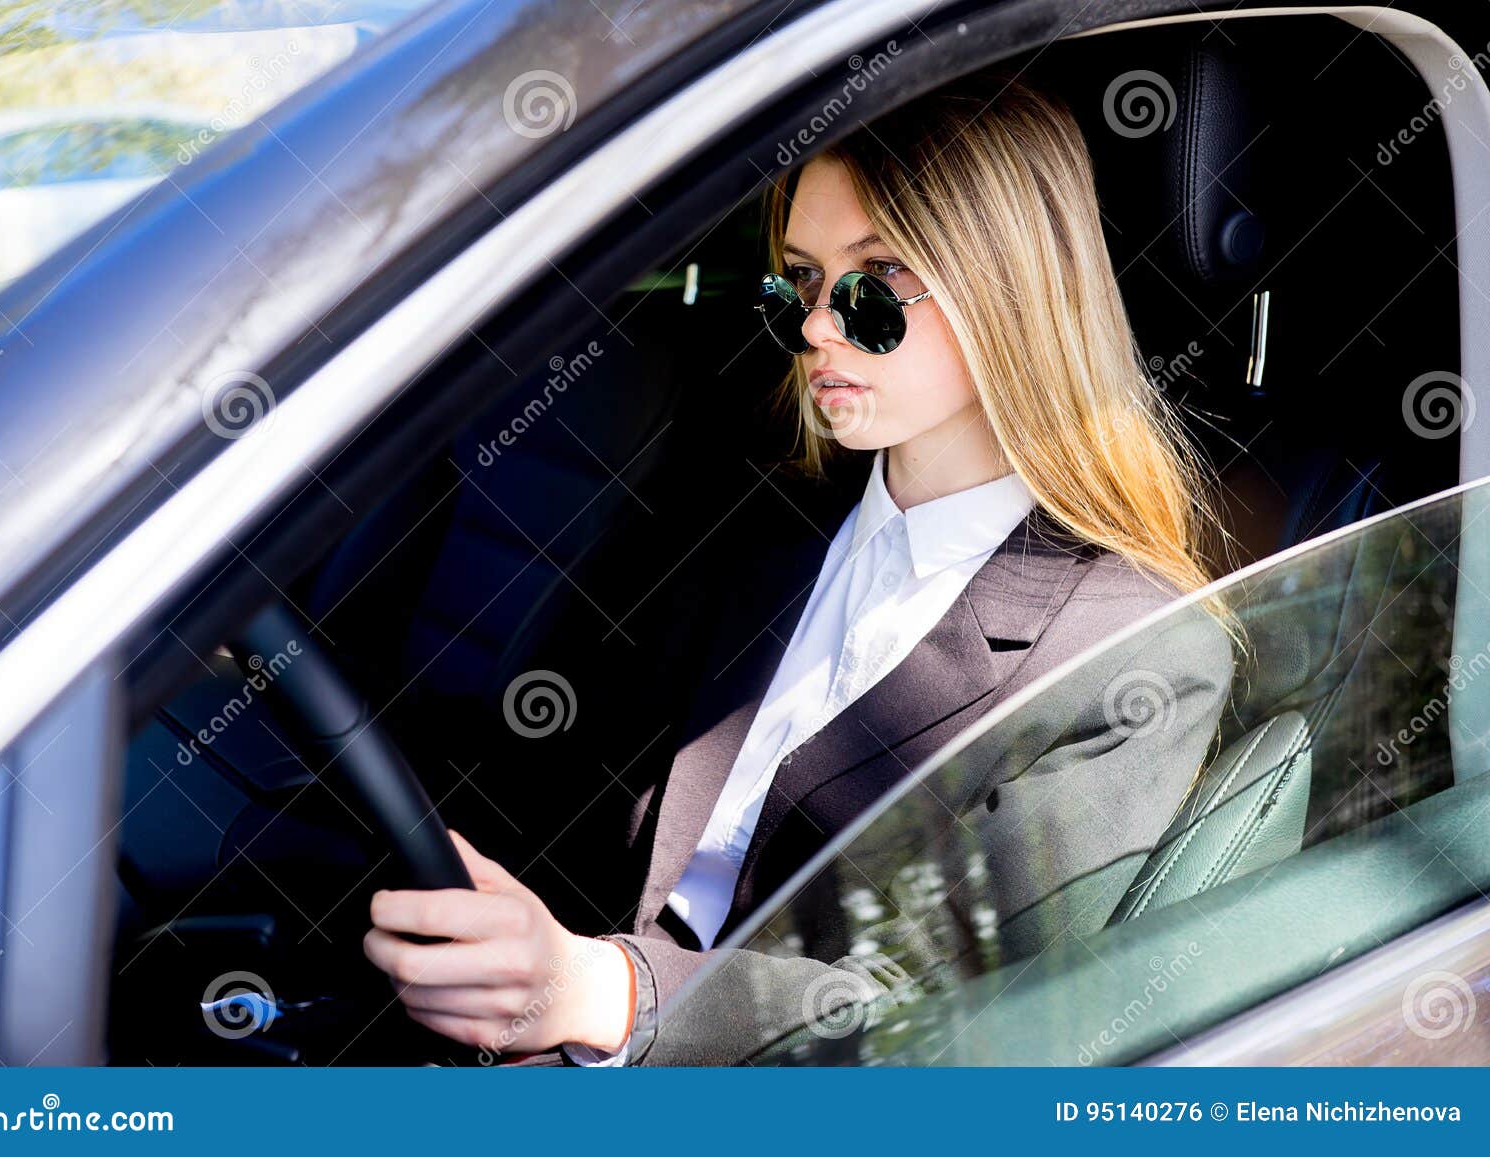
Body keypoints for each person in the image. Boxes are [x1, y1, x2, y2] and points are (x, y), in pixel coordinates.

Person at [360, 71, 1237, 1065]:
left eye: (869, 287)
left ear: (1009, 289)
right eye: (802, 285)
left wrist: (601, 991)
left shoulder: (1134, 648)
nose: (819, 326)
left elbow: (961, 1025)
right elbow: (573, 782)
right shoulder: (748, 525)